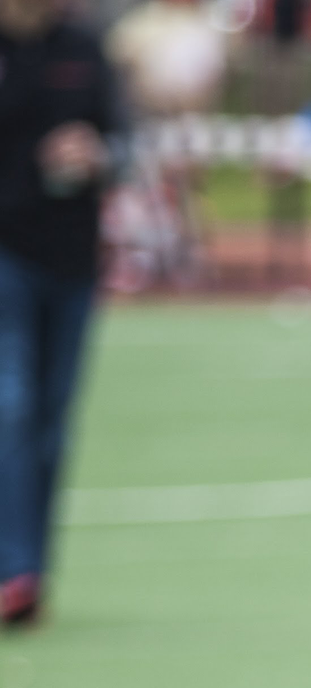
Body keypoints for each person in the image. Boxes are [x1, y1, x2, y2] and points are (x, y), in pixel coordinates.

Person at [1, 0, 124, 626]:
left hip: (71, 258)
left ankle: (31, 574)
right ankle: (12, 566)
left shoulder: (82, 46)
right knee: (11, 403)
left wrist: (95, 155)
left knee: (50, 417)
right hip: (5, 251)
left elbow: (122, 139)